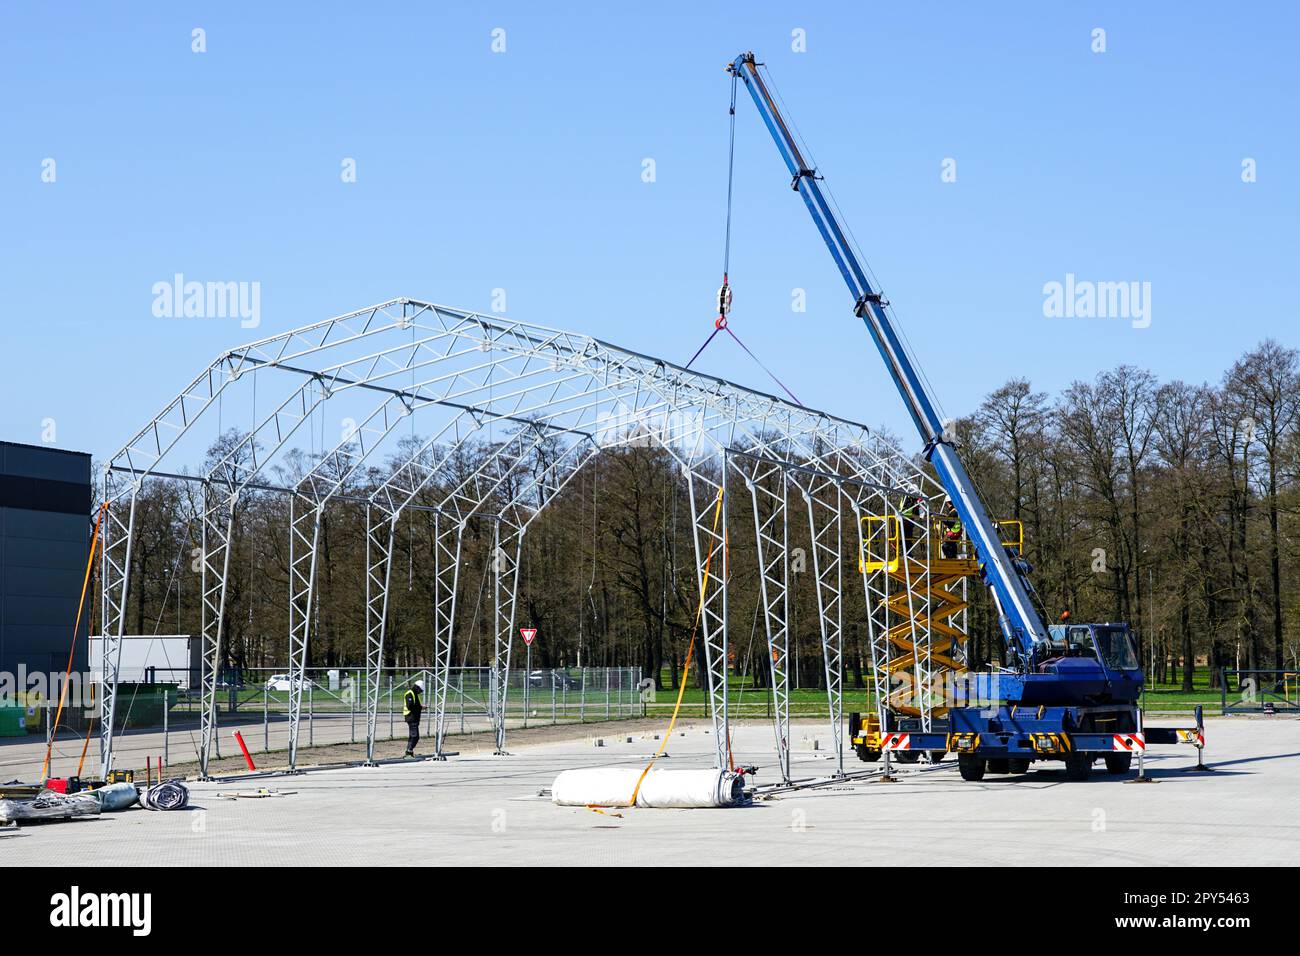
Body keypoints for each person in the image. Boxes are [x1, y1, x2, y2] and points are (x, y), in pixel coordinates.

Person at [403, 680, 424, 758]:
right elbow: (410, 706)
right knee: (415, 736)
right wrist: (420, 707)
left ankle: (409, 751)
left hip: (414, 717)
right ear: (417, 688)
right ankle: (408, 752)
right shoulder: (409, 694)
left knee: (413, 736)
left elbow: (415, 705)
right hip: (411, 717)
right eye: (420, 690)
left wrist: (421, 707)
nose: (420, 692)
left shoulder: (414, 694)